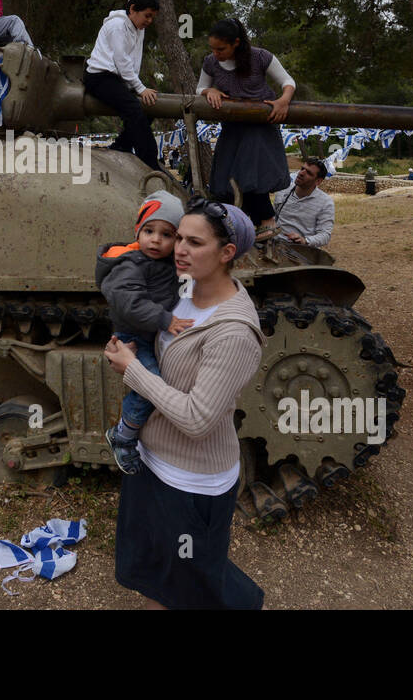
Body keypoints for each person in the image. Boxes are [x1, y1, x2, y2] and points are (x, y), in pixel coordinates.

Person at [104, 196, 266, 610]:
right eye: (179, 237)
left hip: (191, 481)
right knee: (160, 575)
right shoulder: (183, 289)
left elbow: (198, 420)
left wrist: (132, 371)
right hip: (152, 461)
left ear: (227, 253)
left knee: (189, 585)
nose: (179, 248)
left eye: (194, 242)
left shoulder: (233, 332)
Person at [98, 191, 191, 474]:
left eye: (167, 234)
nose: (155, 239)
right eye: (149, 230)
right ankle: (123, 436)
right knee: (151, 387)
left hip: (149, 334)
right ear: (137, 230)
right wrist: (165, 319)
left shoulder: (162, 263)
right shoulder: (131, 263)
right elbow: (129, 302)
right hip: (134, 336)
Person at [197, 18, 294, 242]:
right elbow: (200, 86)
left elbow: (288, 81)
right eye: (212, 48)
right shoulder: (211, 62)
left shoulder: (260, 57)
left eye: (221, 48)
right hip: (233, 127)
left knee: (251, 176)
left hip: (259, 126)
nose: (216, 53)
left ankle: (268, 223)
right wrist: (208, 91)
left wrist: (284, 101)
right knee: (226, 180)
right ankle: (239, 226)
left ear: (236, 43)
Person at [83, 0, 163, 171]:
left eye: (152, 17)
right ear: (133, 9)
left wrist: (135, 86)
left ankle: (121, 145)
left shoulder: (137, 28)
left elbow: (134, 60)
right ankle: (150, 163)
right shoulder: (117, 26)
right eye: (147, 16)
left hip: (118, 78)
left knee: (149, 108)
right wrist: (140, 88)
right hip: (99, 77)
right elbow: (121, 60)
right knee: (134, 110)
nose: (149, 21)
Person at [273, 158, 335, 248]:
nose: (301, 173)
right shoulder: (283, 191)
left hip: (303, 251)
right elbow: (273, 218)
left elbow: (325, 235)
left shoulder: (325, 203)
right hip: (276, 246)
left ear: (318, 181)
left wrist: (305, 240)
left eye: (309, 173)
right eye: (302, 169)